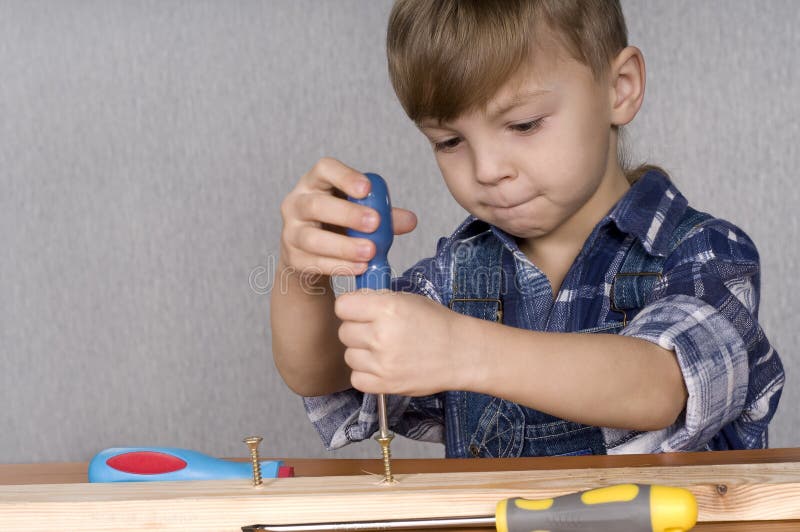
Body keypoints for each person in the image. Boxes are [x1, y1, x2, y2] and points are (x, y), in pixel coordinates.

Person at [271, 0, 784, 457]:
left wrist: (460, 351)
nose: (487, 168)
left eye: (523, 125)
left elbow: (661, 385)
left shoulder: (702, 252)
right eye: (449, 141)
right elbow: (326, 372)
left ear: (619, 89)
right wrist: (303, 273)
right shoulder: (455, 276)